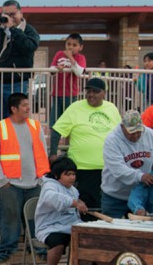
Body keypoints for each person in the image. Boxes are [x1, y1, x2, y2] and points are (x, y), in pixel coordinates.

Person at [0, 92, 51, 265]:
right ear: (14, 109)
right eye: (24, 105)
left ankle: (38, 255)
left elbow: (43, 153)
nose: (28, 108)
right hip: (11, 185)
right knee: (9, 221)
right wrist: (2, 181)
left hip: (34, 184)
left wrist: (41, 178)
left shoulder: (35, 126)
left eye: (28, 105)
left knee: (36, 222)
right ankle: (5, 257)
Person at [52, 77, 122, 209]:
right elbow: (57, 130)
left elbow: (120, 134)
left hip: (107, 168)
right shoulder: (75, 107)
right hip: (82, 168)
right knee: (86, 209)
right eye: (88, 91)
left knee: (105, 208)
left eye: (95, 91)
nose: (91, 94)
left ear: (104, 93)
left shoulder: (111, 108)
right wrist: (53, 154)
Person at [0, 0, 40, 124]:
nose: (10, 18)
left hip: (17, 82)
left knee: (17, 118)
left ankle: (18, 143)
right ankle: (0, 143)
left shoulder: (28, 30)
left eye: (13, 14)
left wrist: (13, 30)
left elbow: (29, 47)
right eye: (6, 14)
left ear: (20, 14)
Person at [34, 156, 88, 265]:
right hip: (50, 227)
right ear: (57, 175)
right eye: (67, 174)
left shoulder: (74, 190)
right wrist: (75, 203)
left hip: (70, 226)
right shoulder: (49, 186)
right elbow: (51, 198)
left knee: (87, 238)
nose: (72, 177)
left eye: (73, 174)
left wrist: (80, 204)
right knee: (58, 242)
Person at [100, 109, 153, 218]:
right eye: (131, 132)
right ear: (122, 127)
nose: (135, 135)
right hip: (115, 196)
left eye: (138, 131)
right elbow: (118, 169)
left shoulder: (151, 135)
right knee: (112, 232)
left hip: (143, 195)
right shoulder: (112, 140)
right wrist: (141, 176)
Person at [46, 33, 86, 155]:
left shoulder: (80, 58)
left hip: (71, 96)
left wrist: (71, 58)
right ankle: (53, 153)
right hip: (57, 95)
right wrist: (56, 68)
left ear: (80, 47)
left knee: (70, 124)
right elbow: (51, 70)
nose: (70, 47)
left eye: (74, 45)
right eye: (68, 44)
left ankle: (67, 151)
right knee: (56, 125)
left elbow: (79, 72)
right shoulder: (59, 54)